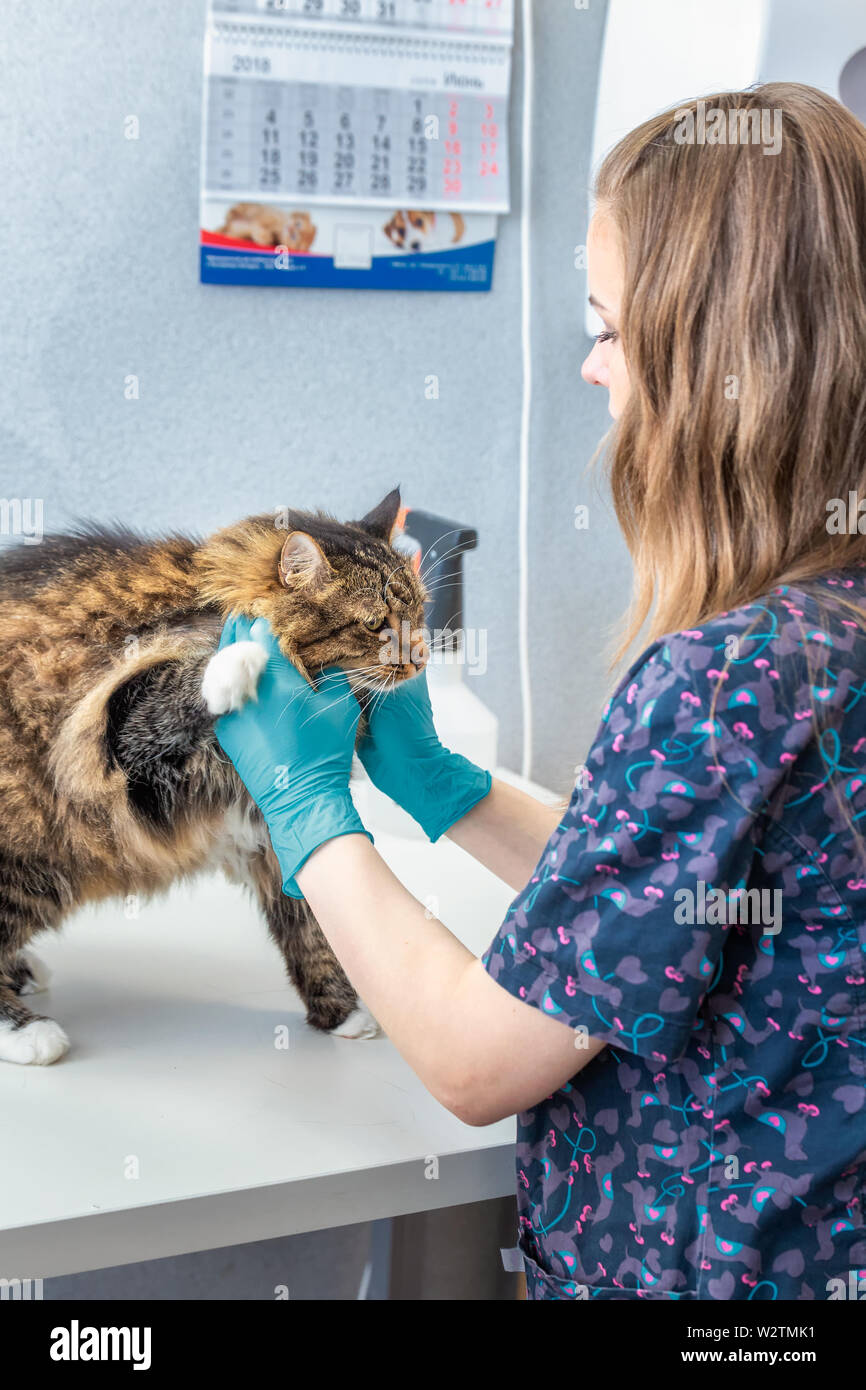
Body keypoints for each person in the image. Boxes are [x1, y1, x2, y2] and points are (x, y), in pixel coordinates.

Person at [215, 83, 866, 1301]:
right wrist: (447, 790)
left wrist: (309, 813)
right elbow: (666, 907)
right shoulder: (827, 630)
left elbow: (470, 1058)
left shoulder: (727, 679)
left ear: (718, 359)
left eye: (611, 328)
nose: (588, 365)